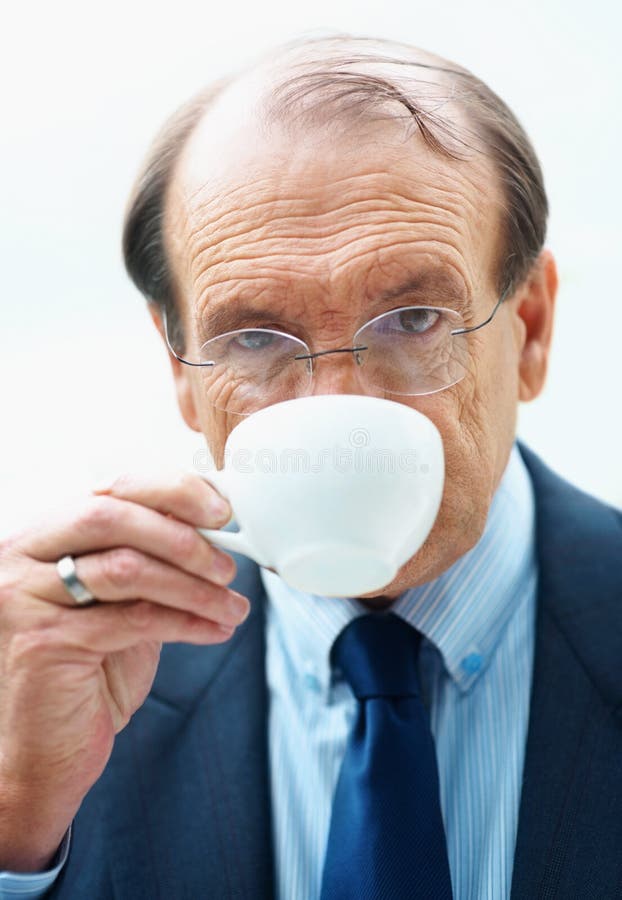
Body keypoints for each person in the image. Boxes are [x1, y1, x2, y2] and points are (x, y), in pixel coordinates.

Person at [0, 35, 620, 900]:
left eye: (413, 319)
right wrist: (14, 822)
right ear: (181, 371)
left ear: (532, 330)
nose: (337, 403)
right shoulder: (64, 692)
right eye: (254, 338)